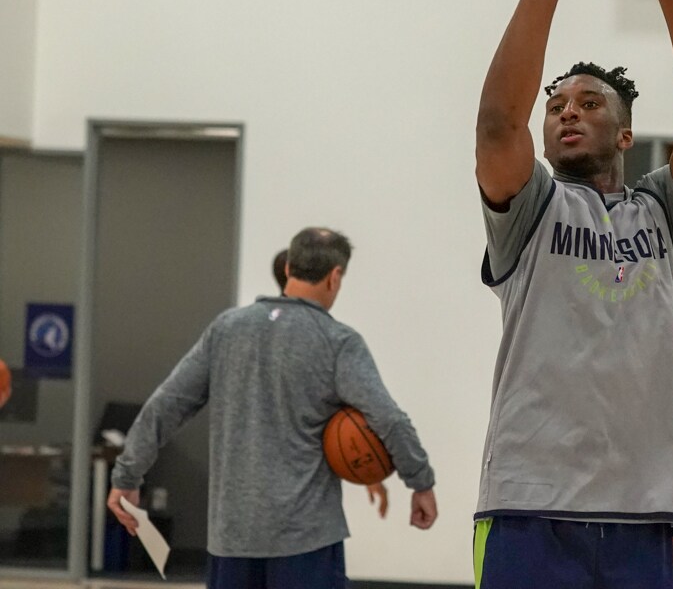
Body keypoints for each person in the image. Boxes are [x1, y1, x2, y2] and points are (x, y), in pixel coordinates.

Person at [472, 0, 673, 588]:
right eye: (557, 104)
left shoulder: (664, 213)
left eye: (590, 103)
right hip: (530, 505)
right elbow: (496, 124)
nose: (567, 111)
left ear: (625, 136)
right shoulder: (529, 209)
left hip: (640, 509)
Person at [108, 227, 437, 589]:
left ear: (289, 267)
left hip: (231, 539)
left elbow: (166, 406)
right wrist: (420, 482)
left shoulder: (226, 329)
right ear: (335, 276)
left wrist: (127, 476)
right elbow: (389, 419)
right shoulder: (338, 342)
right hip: (306, 540)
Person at [272, 246, 390, 518]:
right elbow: (359, 412)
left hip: (266, 491)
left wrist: (370, 474)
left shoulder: (252, 330)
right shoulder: (326, 339)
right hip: (304, 497)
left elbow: (344, 414)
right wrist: (375, 473)